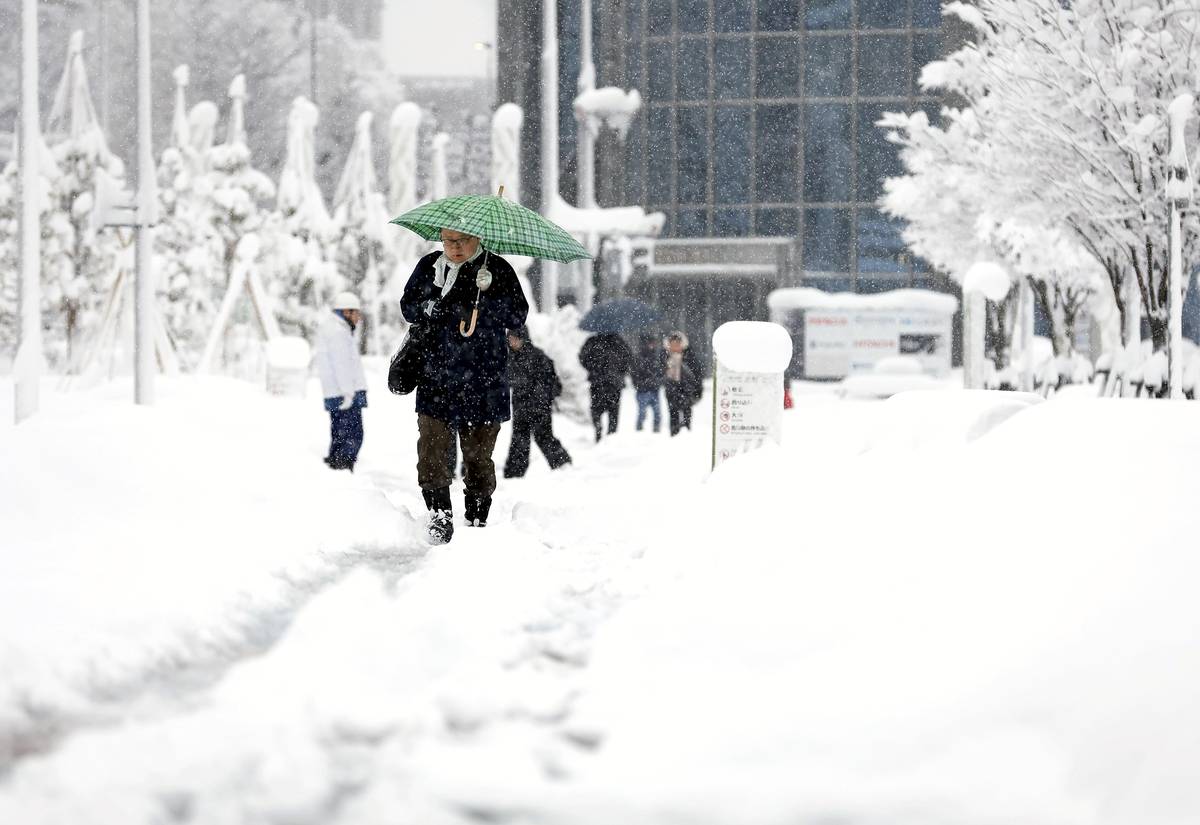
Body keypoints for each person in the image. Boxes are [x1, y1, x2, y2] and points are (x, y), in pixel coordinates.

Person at [400, 229, 528, 544]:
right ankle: (439, 516)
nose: (454, 248)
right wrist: (433, 305)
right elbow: (408, 307)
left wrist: (491, 294)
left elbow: (518, 315)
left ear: (477, 240)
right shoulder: (430, 266)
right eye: (448, 242)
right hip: (437, 379)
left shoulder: (496, 268)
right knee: (432, 450)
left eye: (462, 241)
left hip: (485, 382)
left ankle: (477, 517)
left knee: (478, 457)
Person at [503, 326, 572, 478]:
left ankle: (563, 464)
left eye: (515, 338)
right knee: (519, 440)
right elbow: (508, 380)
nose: (512, 342)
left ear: (523, 338)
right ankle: (514, 474)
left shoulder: (538, 356)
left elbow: (552, 382)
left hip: (539, 407)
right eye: (510, 339)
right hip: (520, 407)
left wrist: (539, 396)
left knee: (544, 437)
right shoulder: (510, 358)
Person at [314, 291, 368, 471]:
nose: (358, 317)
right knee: (352, 434)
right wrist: (348, 393)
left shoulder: (335, 329)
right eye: (356, 313)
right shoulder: (338, 332)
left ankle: (337, 464)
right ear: (346, 312)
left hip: (339, 392)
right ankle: (343, 467)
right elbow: (342, 365)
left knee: (339, 432)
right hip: (345, 393)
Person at [578, 331, 632, 442]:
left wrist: (592, 368)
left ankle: (598, 429)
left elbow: (582, 357)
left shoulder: (592, 341)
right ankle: (611, 436)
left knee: (596, 409)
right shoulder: (618, 341)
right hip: (614, 383)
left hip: (597, 381)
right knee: (613, 411)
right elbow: (628, 358)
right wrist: (621, 372)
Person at [663, 330, 703, 436]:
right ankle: (674, 434)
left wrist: (698, 390)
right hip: (671, 391)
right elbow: (658, 372)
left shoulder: (690, 356)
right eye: (672, 344)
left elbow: (697, 374)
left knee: (686, 414)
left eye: (677, 344)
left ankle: (686, 435)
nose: (675, 346)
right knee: (673, 415)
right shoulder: (665, 357)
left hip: (686, 391)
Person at [630, 332, 666, 432]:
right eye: (651, 343)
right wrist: (639, 384)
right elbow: (634, 373)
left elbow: (662, 370)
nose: (653, 345)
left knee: (657, 413)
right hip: (642, 390)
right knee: (642, 413)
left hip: (654, 389)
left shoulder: (657, 356)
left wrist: (658, 381)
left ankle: (656, 430)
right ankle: (639, 430)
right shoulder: (638, 357)